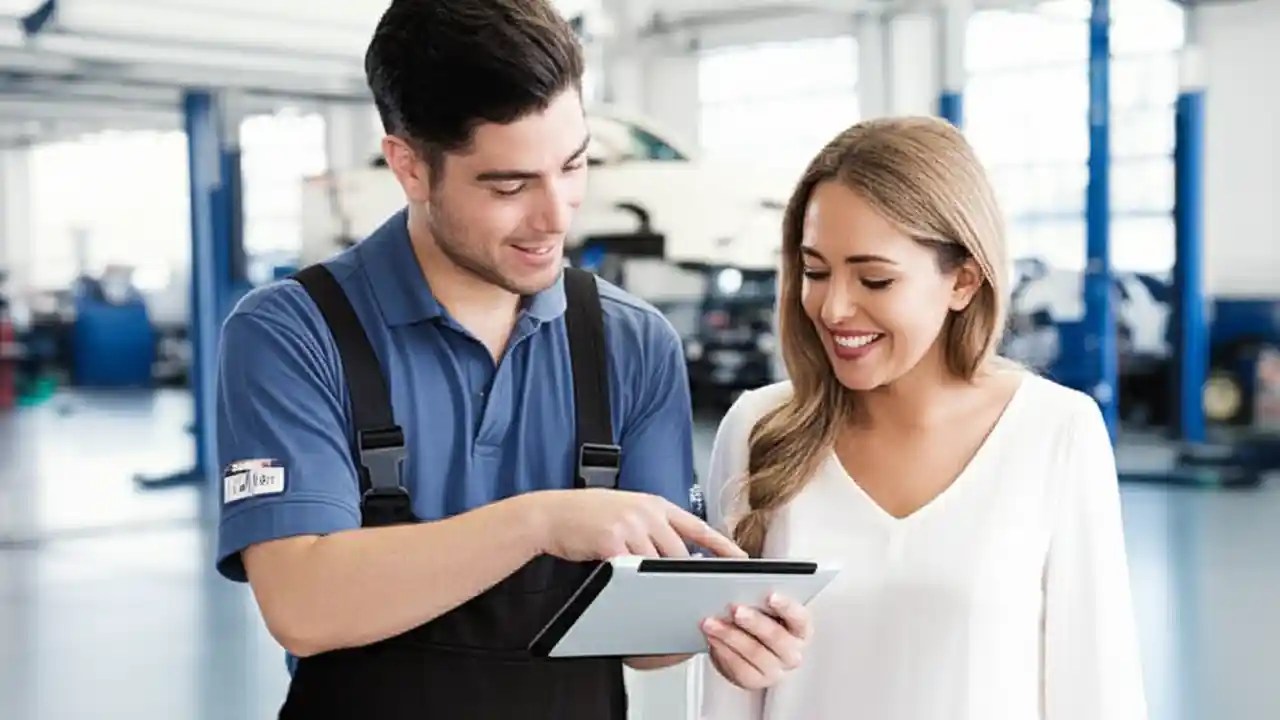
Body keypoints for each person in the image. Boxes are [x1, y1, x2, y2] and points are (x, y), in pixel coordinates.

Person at [213, 1, 813, 717]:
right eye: (509, 186)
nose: (556, 215)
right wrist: (539, 523)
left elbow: (650, 644)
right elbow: (303, 605)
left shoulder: (632, 343)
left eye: (574, 165)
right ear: (409, 167)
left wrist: (727, 630)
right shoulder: (292, 333)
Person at [698, 117, 1149, 720]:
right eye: (815, 272)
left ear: (962, 280)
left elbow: (1098, 690)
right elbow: (726, 701)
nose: (833, 308)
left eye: (875, 279)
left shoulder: (1056, 431)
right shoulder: (760, 428)